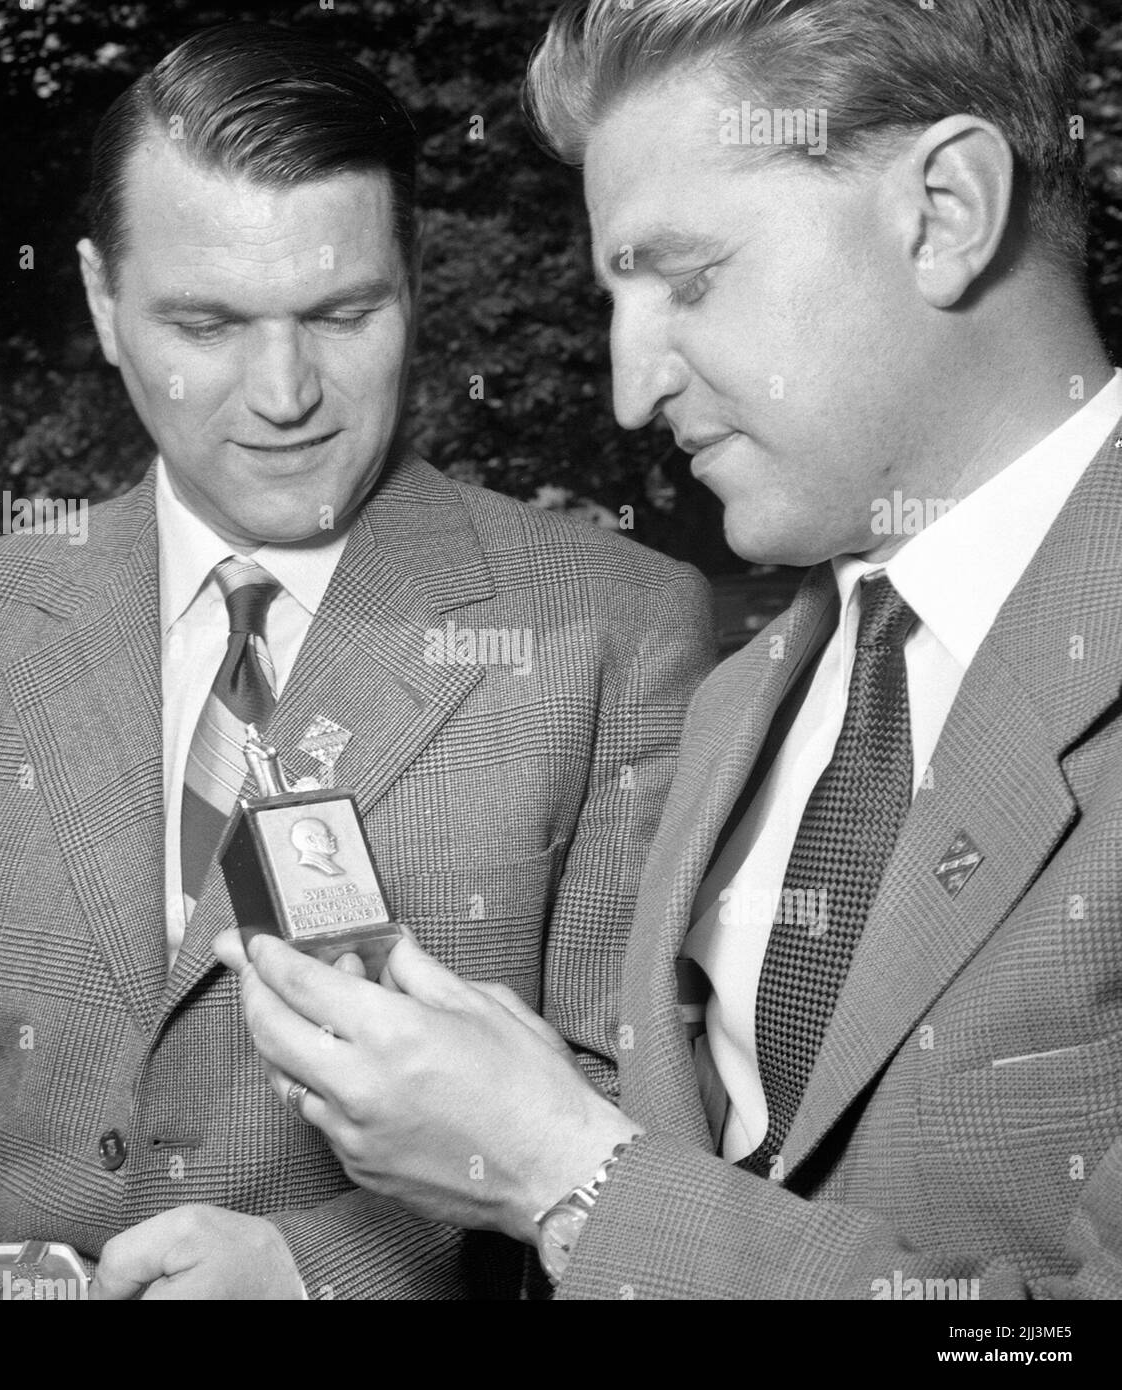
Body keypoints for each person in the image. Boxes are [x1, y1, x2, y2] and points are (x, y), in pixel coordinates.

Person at [228, 0, 1122, 1299]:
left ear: (943, 211)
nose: (627, 387)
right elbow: (694, 1173)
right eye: (613, 294)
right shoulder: (742, 699)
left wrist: (561, 1169)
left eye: (685, 277)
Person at [0, 21, 714, 1300]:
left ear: (412, 282)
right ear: (101, 302)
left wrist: (327, 1274)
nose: (286, 390)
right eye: (208, 323)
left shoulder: (612, 630)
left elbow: (632, 1109)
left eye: (343, 312)